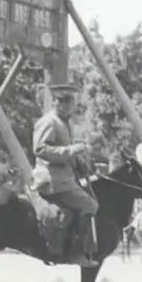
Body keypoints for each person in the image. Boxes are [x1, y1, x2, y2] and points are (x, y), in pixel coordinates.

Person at [31, 81, 99, 267]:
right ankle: (76, 253)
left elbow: (65, 152)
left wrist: (80, 162)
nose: (67, 106)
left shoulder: (65, 122)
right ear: (55, 102)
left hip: (64, 178)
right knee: (90, 205)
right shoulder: (49, 122)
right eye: (63, 102)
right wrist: (71, 150)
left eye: (70, 102)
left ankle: (66, 244)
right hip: (52, 179)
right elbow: (40, 149)